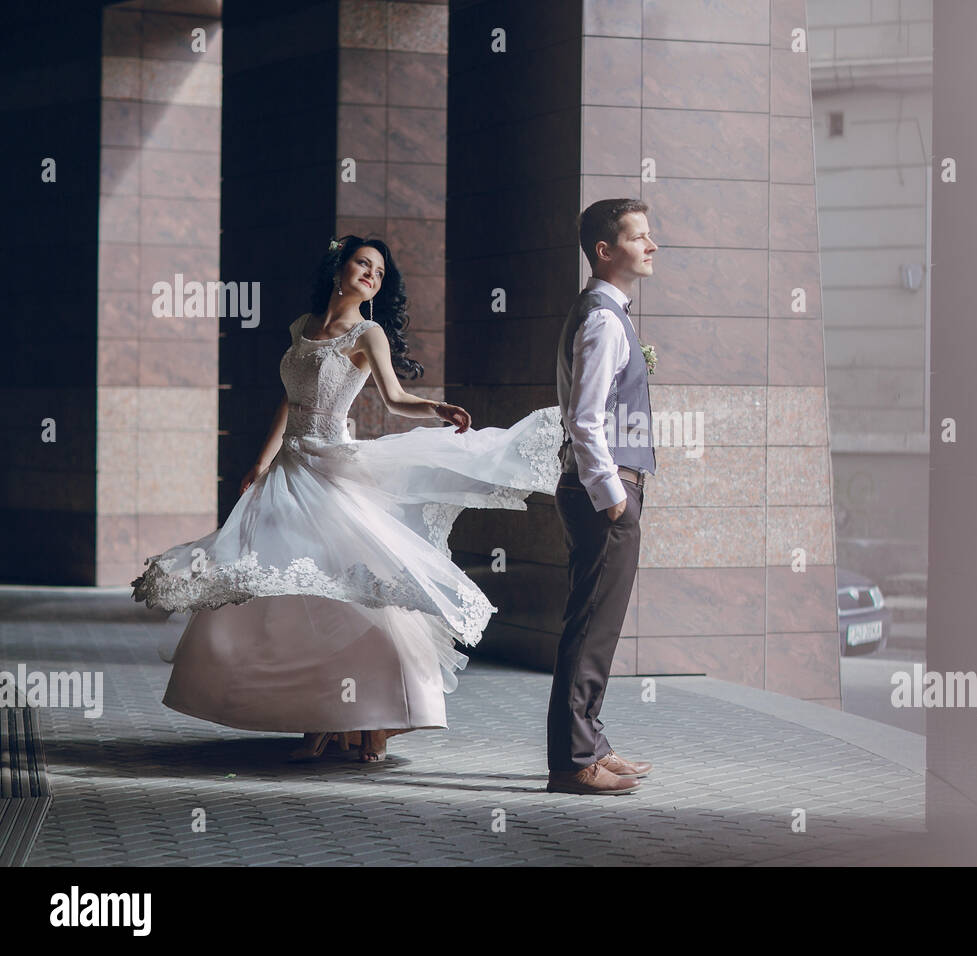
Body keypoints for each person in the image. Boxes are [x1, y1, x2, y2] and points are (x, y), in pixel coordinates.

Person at [132, 235, 563, 762]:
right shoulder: (301, 328)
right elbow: (288, 403)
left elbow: (395, 398)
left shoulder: (369, 332)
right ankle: (319, 717)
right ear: (340, 267)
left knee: (351, 592)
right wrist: (263, 461)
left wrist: (436, 407)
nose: (372, 275)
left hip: (332, 469)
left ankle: (371, 717)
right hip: (289, 470)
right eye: (364, 263)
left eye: (381, 272)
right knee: (283, 593)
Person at [547, 199, 658, 795]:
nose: (652, 246)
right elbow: (584, 418)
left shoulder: (608, 313)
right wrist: (613, 498)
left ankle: (591, 741)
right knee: (590, 627)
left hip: (602, 490)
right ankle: (572, 762)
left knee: (597, 626)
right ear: (604, 251)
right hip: (602, 493)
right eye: (640, 237)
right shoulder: (601, 319)